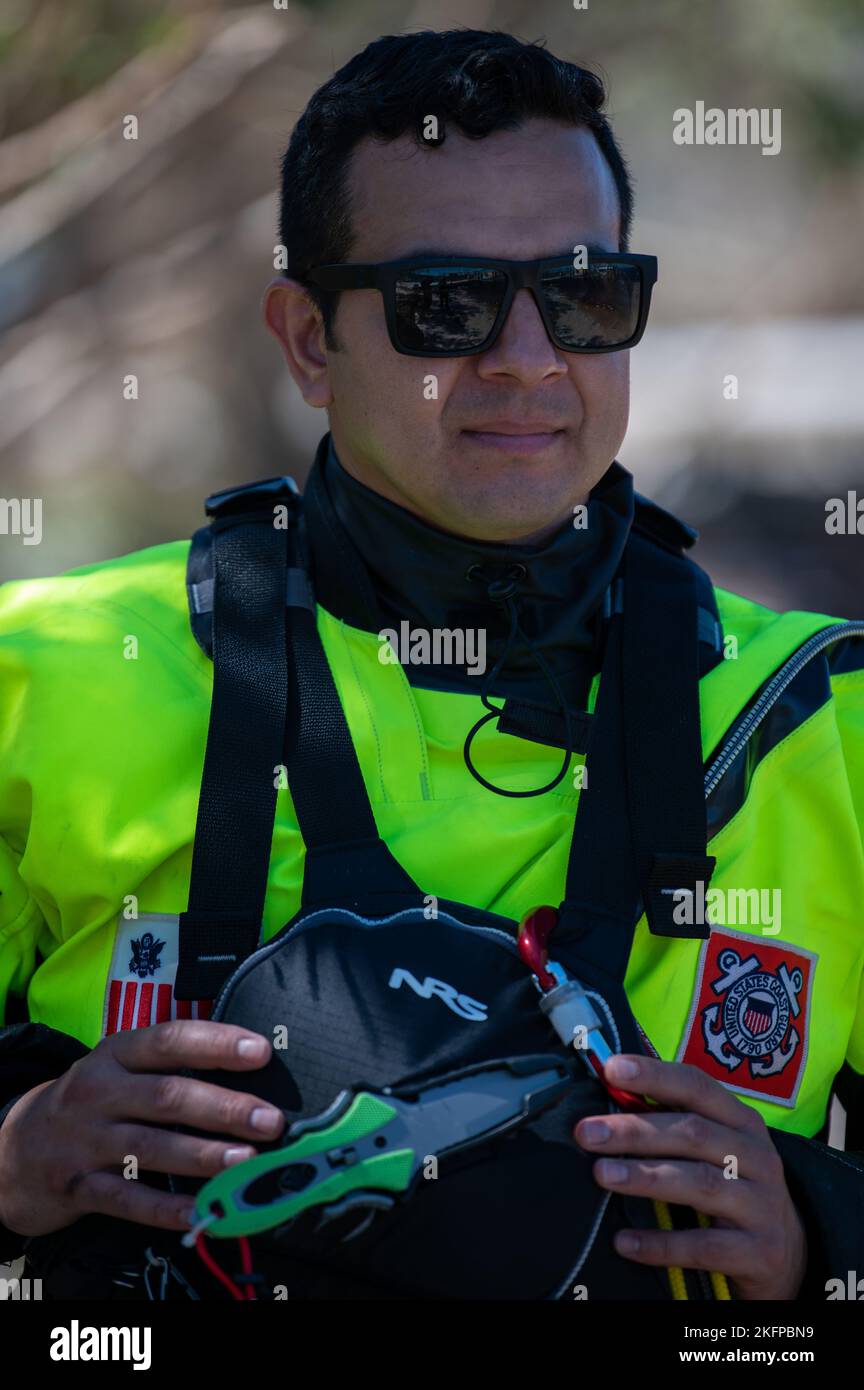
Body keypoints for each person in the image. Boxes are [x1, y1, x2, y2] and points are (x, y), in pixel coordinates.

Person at [0, 28, 862, 1303]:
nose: (526, 358)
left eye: (586, 295)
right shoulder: (46, 669)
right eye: (444, 303)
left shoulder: (826, 716)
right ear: (305, 339)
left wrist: (820, 1235)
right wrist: (18, 1155)